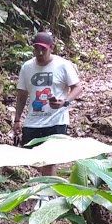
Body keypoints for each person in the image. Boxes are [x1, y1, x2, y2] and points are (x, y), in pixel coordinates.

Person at [11, 30, 84, 177]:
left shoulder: (63, 65)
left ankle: (46, 196)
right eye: (37, 48)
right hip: (33, 121)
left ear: (52, 48)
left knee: (50, 159)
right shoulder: (27, 67)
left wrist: (64, 102)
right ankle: (49, 187)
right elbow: (22, 94)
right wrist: (17, 119)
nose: (39, 52)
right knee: (34, 159)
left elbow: (77, 87)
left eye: (43, 49)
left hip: (56, 121)